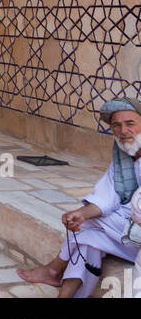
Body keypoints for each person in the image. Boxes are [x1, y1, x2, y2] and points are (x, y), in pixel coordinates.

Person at [17, 95, 141, 297]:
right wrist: (82, 212)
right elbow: (108, 196)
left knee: (87, 224)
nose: (123, 131)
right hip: (127, 233)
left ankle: (54, 269)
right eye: (116, 125)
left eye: (130, 123)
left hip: (137, 237)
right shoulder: (124, 157)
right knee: (88, 238)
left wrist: (83, 216)